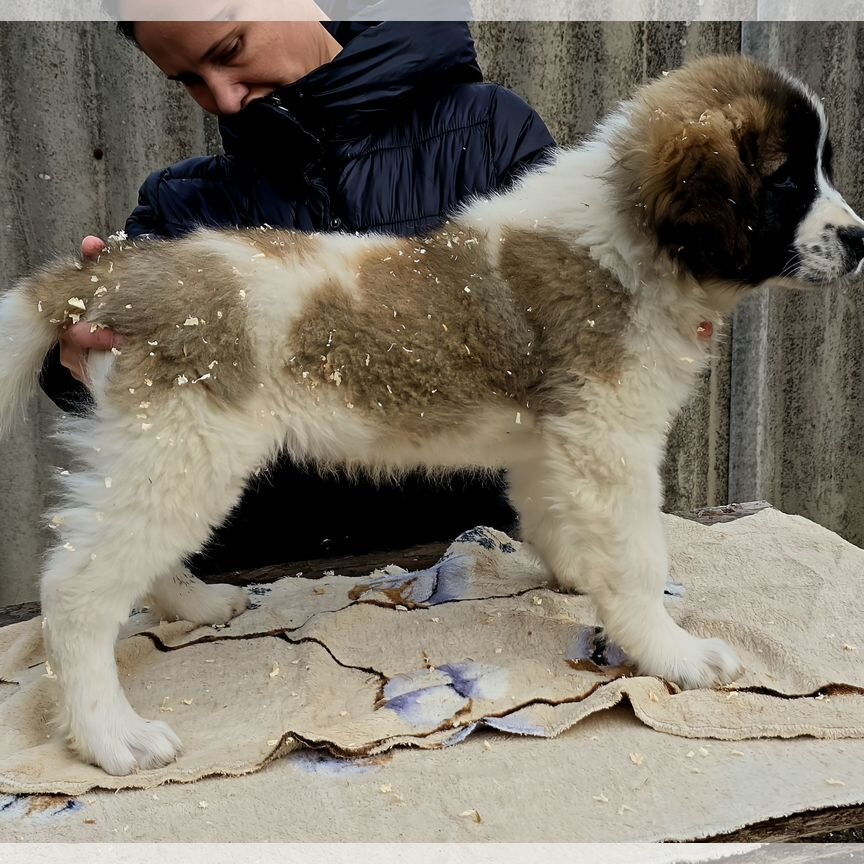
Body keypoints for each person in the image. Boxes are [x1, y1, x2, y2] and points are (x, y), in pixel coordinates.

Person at [40, 16, 555, 575]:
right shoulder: (182, 204)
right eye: (187, 79)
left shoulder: (488, 132)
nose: (224, 99)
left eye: (231, 49)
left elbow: (575, 341)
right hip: (258, 575)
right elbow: (115, 394)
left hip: (462, 562)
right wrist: (79, 350)